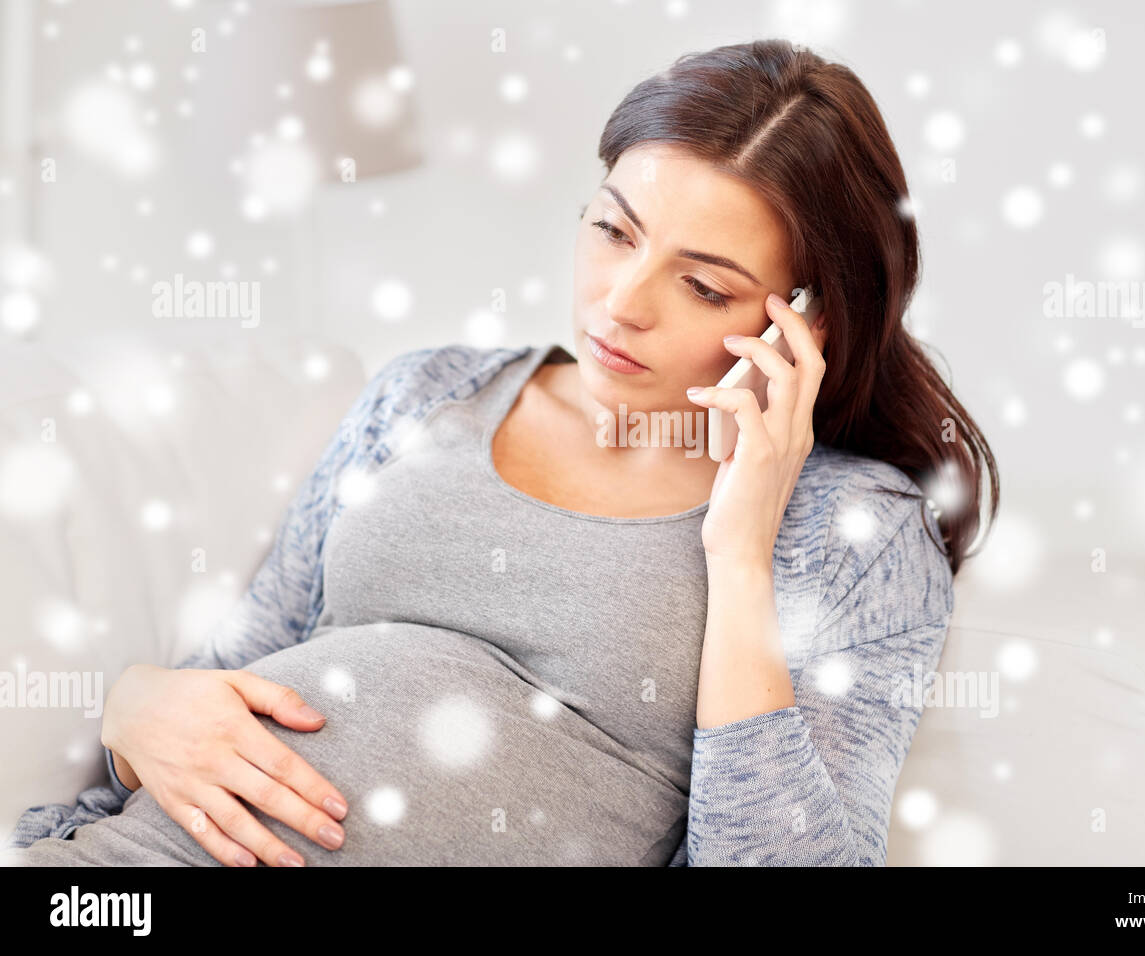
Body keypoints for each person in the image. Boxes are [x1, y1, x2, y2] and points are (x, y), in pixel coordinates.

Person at [3, 38, 997, 867]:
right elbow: (228, 678)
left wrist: (740, 549)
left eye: (702, 285)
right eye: (614, 229)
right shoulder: (423, 391)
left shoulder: (850, 530)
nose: (622, 300)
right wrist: (135, 707)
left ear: (807, 323)